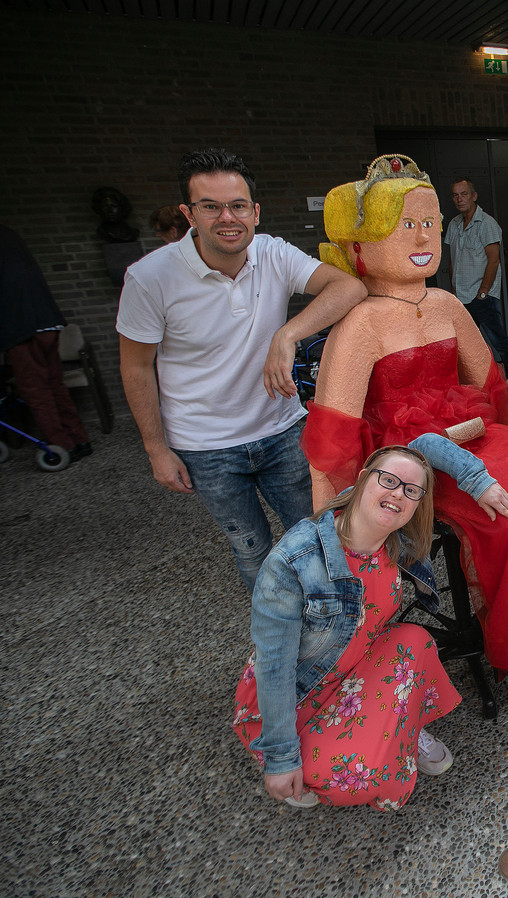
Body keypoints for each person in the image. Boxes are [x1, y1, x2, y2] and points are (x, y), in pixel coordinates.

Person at [303, 155, 508, 707]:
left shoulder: (448, 303)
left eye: (429, 222)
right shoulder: (359, 325)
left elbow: (490, 381)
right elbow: (334, 428)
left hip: (472, 430)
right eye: (407, 225)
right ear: (361, 246)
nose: (423, 235)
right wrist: (336, 518)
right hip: (410, 457)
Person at [117, 148, 367, 592]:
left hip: (281, 428)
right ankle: (276, 626)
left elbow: (348, 287)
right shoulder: (150, 278)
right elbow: (136, 366)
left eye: (236, 205)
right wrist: (156, 448)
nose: (226, 217)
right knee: (251, 546)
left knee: (315, 531)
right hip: (206, 444)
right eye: (210, 206)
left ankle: (331, 617)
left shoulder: (272, 253)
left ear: (255, 211)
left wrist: (286, 335)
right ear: (188, 213)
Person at [233, 445, 458, 810]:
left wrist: (480, 481)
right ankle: (304, 754)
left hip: (355, 666)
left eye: (411, 490)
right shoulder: (293, 561)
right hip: (302, 690)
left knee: (415, 641)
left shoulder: (397, 539)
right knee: (354, 777)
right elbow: (274, 666)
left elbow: (428, 442)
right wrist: (281, 758)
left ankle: (402, 726)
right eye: (388, 480)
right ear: (361, 481)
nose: (398, 493)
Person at [0, 223, 92, 463]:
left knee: (36, 391)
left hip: (20, 327)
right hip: (47, 321)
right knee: (55, 384)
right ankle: (79, 438)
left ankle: (62, 445)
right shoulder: (10, 235)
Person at [442, 177, 508, 373]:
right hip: (461, 297)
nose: (459, 199)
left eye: (464, 194)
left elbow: (494, 260)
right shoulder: (454, 224)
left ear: (474, 196)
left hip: (481, 297)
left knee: (499, 342)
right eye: (455, 195)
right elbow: (453, 261)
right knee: (466, 347)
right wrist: (453, 290)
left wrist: (483, 292)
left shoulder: (487, 224)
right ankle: (476, 383)